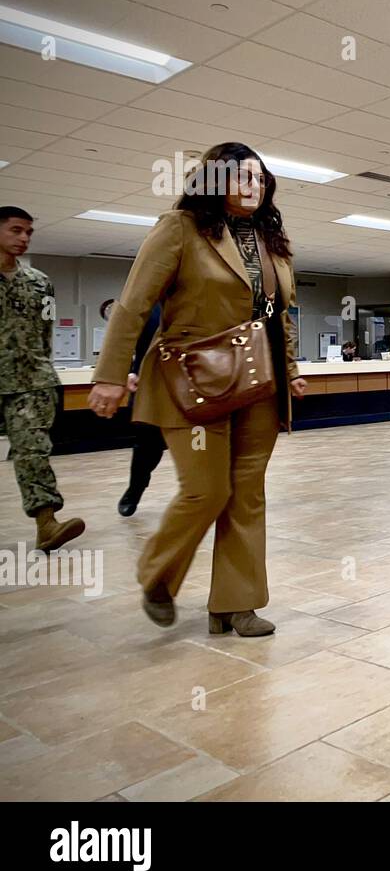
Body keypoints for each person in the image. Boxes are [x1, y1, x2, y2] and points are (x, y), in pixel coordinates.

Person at [87, 143, 307, 637]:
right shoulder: (179, 228)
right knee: (207, 490)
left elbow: (280, 314)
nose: (253, 186)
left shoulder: (273, 239)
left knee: (247, 495)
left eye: (259, 177)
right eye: (240, 177)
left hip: (258, 383)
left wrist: (290, 369)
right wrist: (108, 374)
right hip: (191, 382)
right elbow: (133, 303)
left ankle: (236, 604)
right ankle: (157, 574)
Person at [0, 207, 85, 551]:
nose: (24, 238)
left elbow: (47, 330)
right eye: (16, 230)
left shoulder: (41, 283)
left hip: (31, 383)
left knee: (33, 453)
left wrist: (44, 371)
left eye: (29, 232)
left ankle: (46, 523)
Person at [116, 303, 167, 517]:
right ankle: (135, 489)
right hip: (150, 383)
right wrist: (127, 372)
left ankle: (200, 494)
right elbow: (124, 339)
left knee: (199, 441)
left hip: (191, 383)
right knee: (148, 445)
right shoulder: (148, 304)